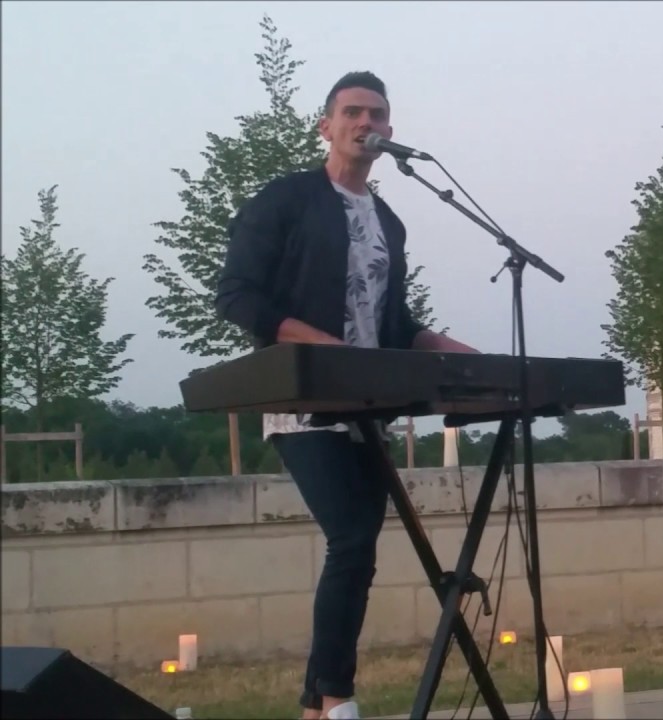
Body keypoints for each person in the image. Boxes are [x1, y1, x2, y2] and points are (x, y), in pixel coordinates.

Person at [215, 71, 478, 720]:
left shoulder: (388, 221)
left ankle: (316, 704)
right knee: (353, 537)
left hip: (367, 408)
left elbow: (395, 325)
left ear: (390, 130)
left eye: (377, 114)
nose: (366, 122)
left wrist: (463, 353)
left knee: (359, 550)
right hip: (303, 403)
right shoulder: (287, 199)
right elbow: (237, 296)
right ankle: (336, 695)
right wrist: (323, 346)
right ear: (326, 126)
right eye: (353, 111)